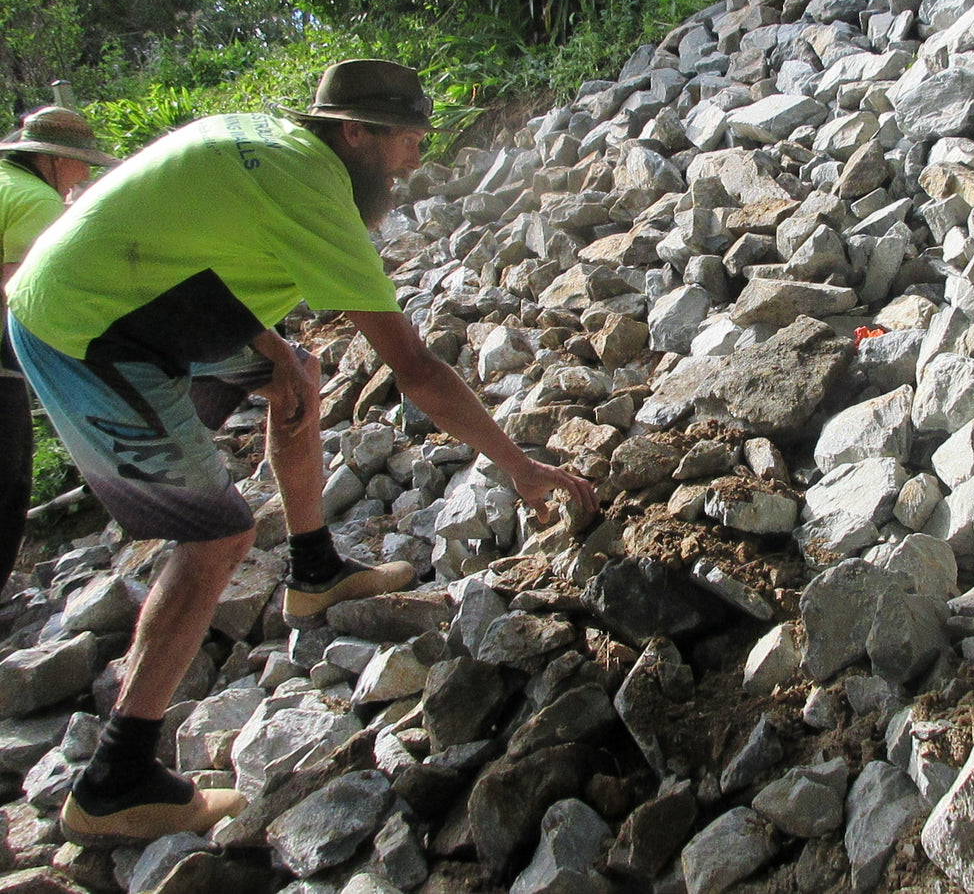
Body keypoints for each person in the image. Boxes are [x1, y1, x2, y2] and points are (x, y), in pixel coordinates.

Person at [5, 60, 597, 846]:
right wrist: (518, 464)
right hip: (82, 328)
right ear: (356, 133)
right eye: (407, 142)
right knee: (217, 533)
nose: (414, 161)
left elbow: (189, 250)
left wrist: (273, 349)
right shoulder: (318, 193)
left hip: (131, 292)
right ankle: (116, 778)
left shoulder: (276, 145)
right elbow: (415, 368)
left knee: (299, 369)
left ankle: (314, 569)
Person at [1, 107, 119, 591]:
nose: (84, 174)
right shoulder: (36, 202)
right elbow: (23, 293)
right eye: (79, 162)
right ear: (52, 160)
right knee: (8, 482)